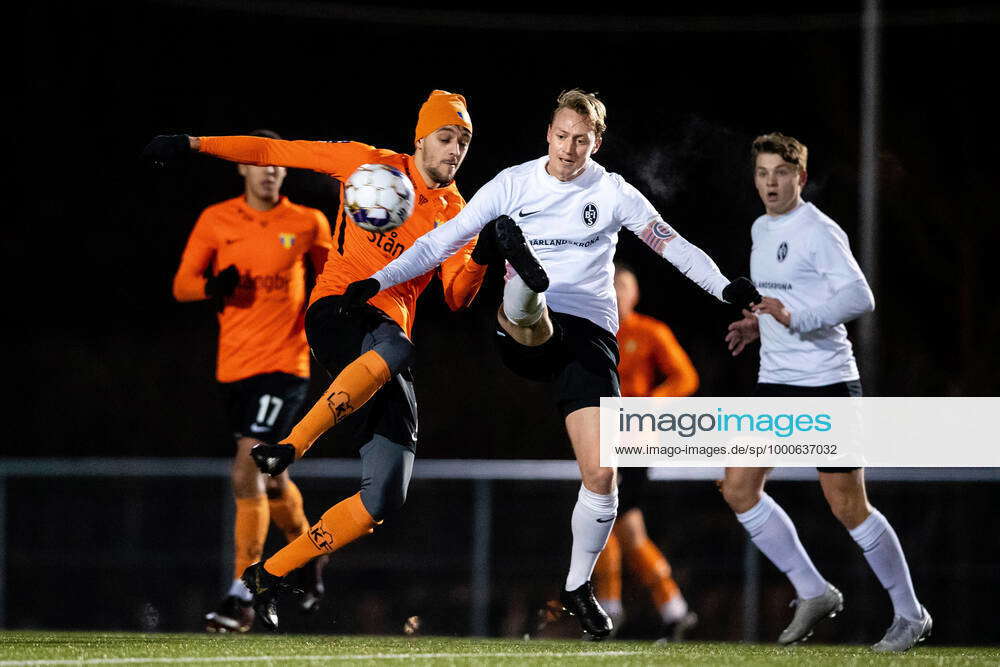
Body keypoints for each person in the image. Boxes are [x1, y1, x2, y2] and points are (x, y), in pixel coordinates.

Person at [341, 89, 760, 639]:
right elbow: (439, 243)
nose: (568, 148)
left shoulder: (612, 192)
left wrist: (726, 287)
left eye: (580, 140)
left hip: (588, 339)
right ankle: (526, 279)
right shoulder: (514, 183)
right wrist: (376, 280)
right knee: (527, 306)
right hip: (526, 330)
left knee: (602, 473)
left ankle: (577, 587)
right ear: (548, 134)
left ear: (596, 142)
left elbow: (671, 244)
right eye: (561, 136)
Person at [147, 91, 488, 631]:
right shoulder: (366, 162)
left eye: (464, 141)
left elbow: (456, 296)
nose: (455, 150)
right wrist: (192, 143)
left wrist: (485, 254)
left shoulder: (459, 212)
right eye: (446, 137)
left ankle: (269, 575)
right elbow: (271, 152)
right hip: (338, 313)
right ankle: (290, 447)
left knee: (385, 494)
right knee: (397, 347)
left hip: (383, 349)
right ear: (420, 137)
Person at [722, 132, 931, 652]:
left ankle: (911, 614)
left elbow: (860, 296)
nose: (771, 182)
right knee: (738, 487)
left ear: (801, 178)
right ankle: (814, 591)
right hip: (776, 382)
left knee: (846, 505)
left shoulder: (818, 229)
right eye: (763, 173)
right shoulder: (758, 228)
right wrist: (758, 325)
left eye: (781, 173)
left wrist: (796, 318)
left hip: (826, 382)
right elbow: (780, 298)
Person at [170, 129, 333, 632]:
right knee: (272, 477)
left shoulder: (307, 222)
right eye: (259, 163)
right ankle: (307, 555)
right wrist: (211, 287)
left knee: (246, 471)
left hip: (285, 366)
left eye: (277, 164)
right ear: (242, 168)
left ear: (284, 170)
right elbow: (182, 285)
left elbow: (330, 282)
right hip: (234, 369)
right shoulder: (216, 220)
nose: (270, 170)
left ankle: (243, 593)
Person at [589, 263, 699, 640]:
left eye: (623, 285)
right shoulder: (593, 332)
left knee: (609, 521)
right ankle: (672, 609)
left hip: (634, 435)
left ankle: (613, 610)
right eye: (611, 285)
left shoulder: (650, 332)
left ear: (634, 294)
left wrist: (653, 402)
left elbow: (686, 376)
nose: (617, 291)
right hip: (600, 433)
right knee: (623, 527)